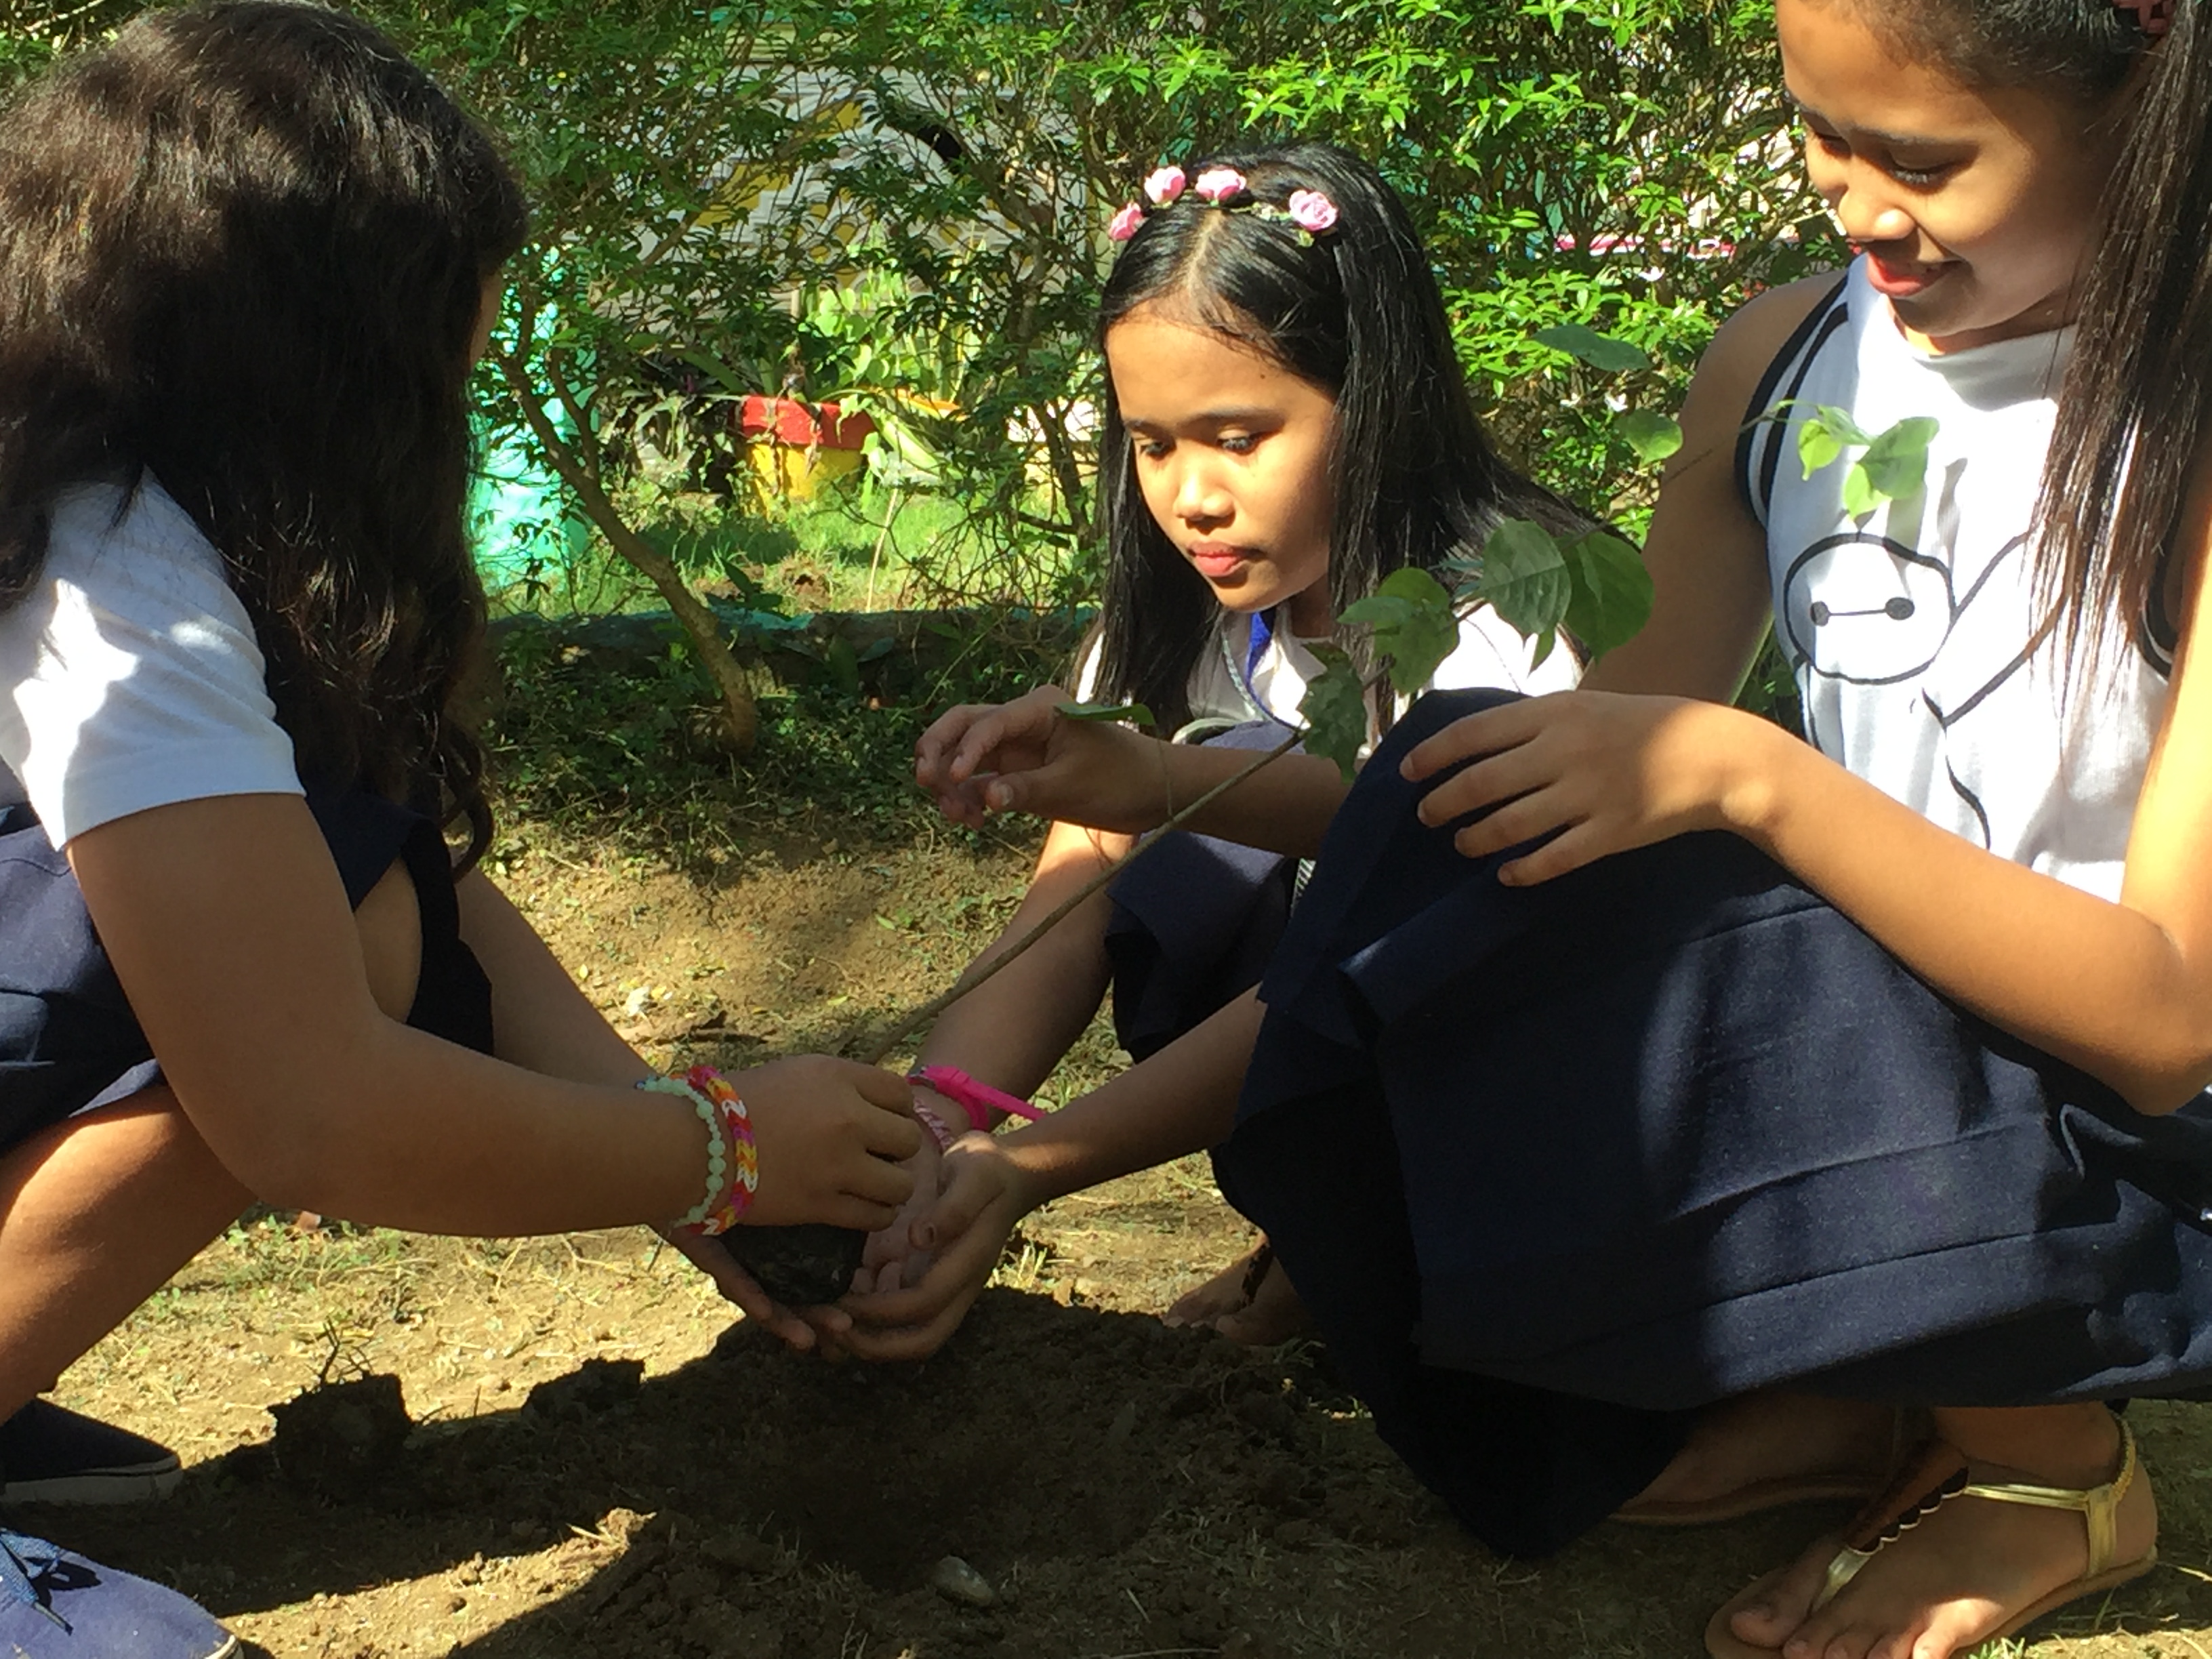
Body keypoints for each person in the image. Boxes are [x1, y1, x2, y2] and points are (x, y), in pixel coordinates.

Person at [861, 0, 2212, 1652]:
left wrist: (1750, 776)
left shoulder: (2182, 418)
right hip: (1907, 1074)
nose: (1854, 207)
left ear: (2146, 109)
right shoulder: (1788, 353)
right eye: (1819, 133)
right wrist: (1049, 1082)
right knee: (1492, 808)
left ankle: (2048, 1472)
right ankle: (1880, 1385)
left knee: (1682, 855)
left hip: (2137, 1132)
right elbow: (1510, 839)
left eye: (1922, 159)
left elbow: (2163, 1027)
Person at [0, 7, 918, 1650]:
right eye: (449, 346)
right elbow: (299, 1098)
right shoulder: (108, 580)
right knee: (319, 954)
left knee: (349, 893)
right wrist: (723, 1142)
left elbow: (409, 882)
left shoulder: (141, 507)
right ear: (318, 353)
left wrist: (692, 1166)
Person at [892, 141, 1586, 1342]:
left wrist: (1032, 1169)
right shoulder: (1174, 631)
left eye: (1239, 436)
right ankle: (1319, 1245)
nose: (1190, 496)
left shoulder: (1501, 617)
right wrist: (929, 1132)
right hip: (1336, 1082)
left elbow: (1365, 967)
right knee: (1180, 871)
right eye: (1152, 444)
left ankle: (1377, 1268)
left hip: (1541, 1122)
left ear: (1372, 399)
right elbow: (1072, 897)